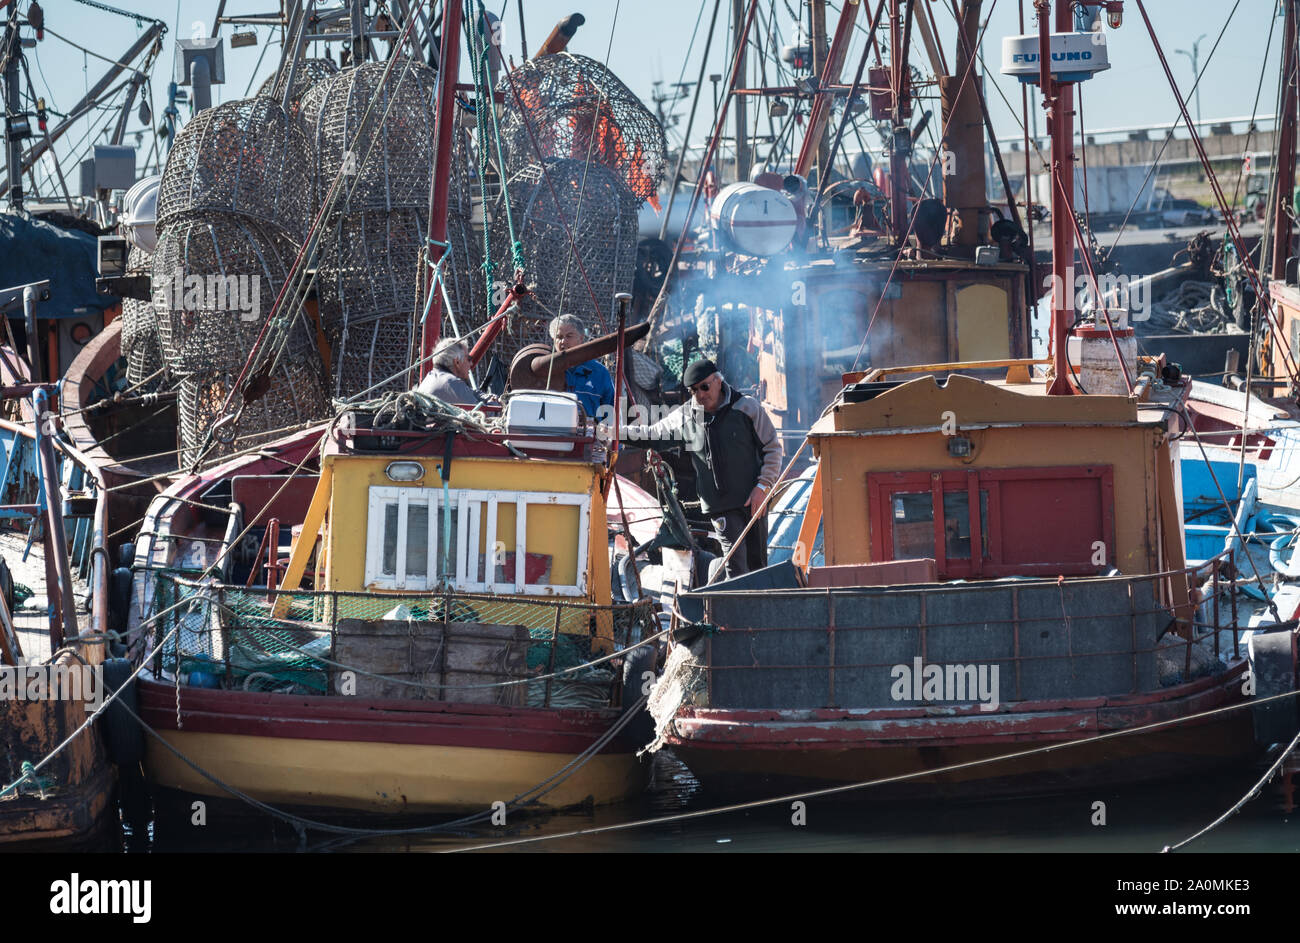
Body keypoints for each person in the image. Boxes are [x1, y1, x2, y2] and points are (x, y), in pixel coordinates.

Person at [623, 357, 782, 581]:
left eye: (704, 387)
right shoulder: (687, 416)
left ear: (718, 381)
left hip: (753, 499)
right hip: (719, 506)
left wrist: (763, 486)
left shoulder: (746, 408)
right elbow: (653, 435)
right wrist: (613, 432)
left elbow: (773, 449)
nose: (700, 395)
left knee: (758, 564)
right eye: (693, 390)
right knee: (736, 566)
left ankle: (757, 611)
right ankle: (734, 613)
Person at [549, 314, 615, 418]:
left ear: (581, 338)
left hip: (589, 433)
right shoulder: (547, 370)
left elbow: (611, 414)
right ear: (553, 340)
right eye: (559, 337)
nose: (563, 341)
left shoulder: (600, 373)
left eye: (569, 336)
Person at [416, 338, 489, 405]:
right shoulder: (453, 383)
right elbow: (488, 412)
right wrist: (495, 401)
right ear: (457, 362)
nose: (471, 363)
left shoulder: (430, 377)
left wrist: (486, 397)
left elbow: (471, 393)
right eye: (468, 359)